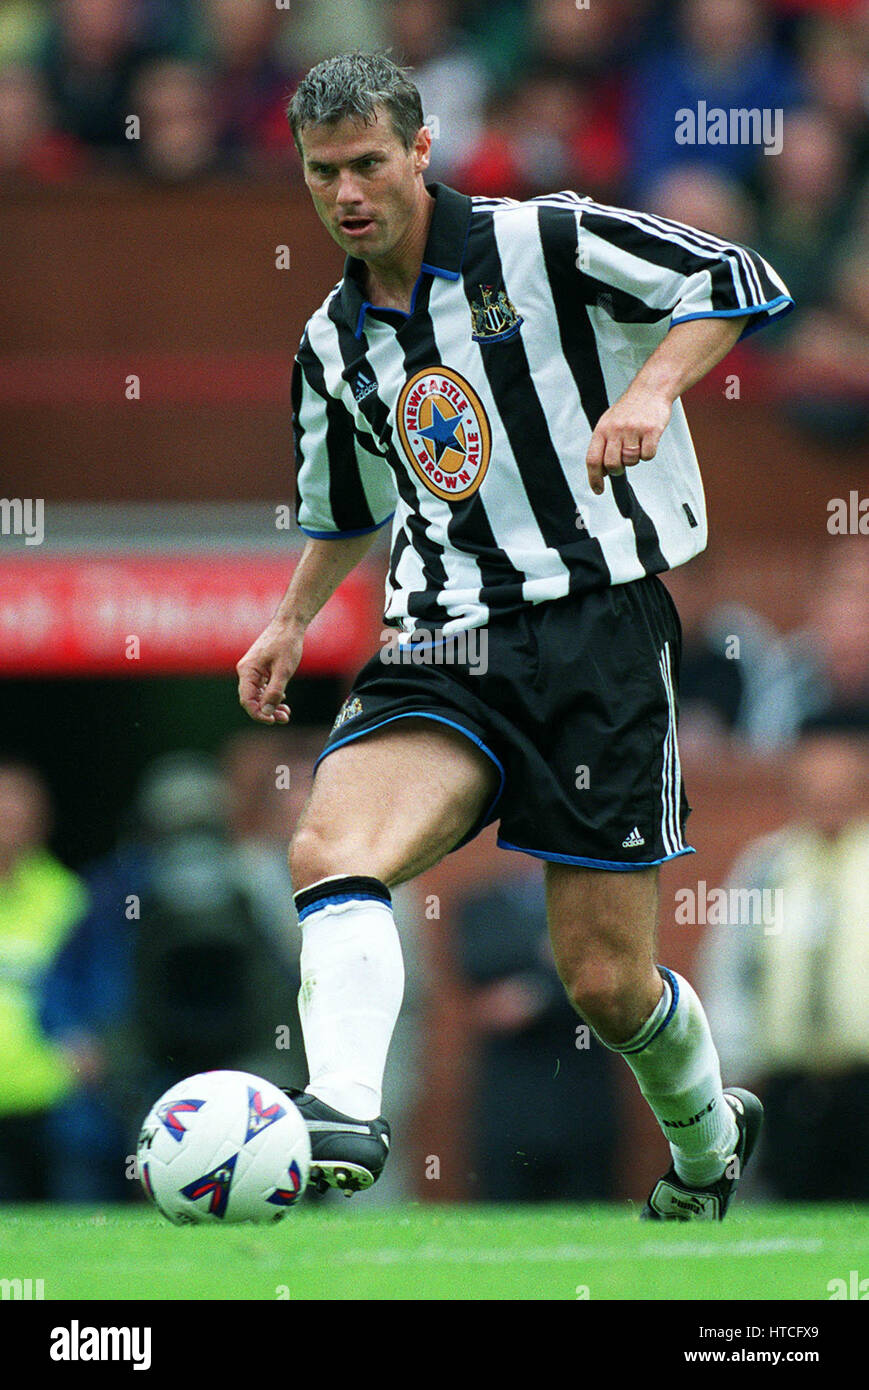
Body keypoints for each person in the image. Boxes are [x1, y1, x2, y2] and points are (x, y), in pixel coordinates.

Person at [236, 51, 793, 1220]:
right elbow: (347, 502)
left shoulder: (539, 239)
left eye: (368, 163)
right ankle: (339, 1107)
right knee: (330, 845)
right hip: (441, 636)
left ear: (420, 149)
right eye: (322, 172)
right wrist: (289, 620)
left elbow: (734, 275)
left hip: (598, 626)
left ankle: (703, 1145)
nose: (346, 192)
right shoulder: (331, 343)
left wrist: (649, 394)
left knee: (603, 983)